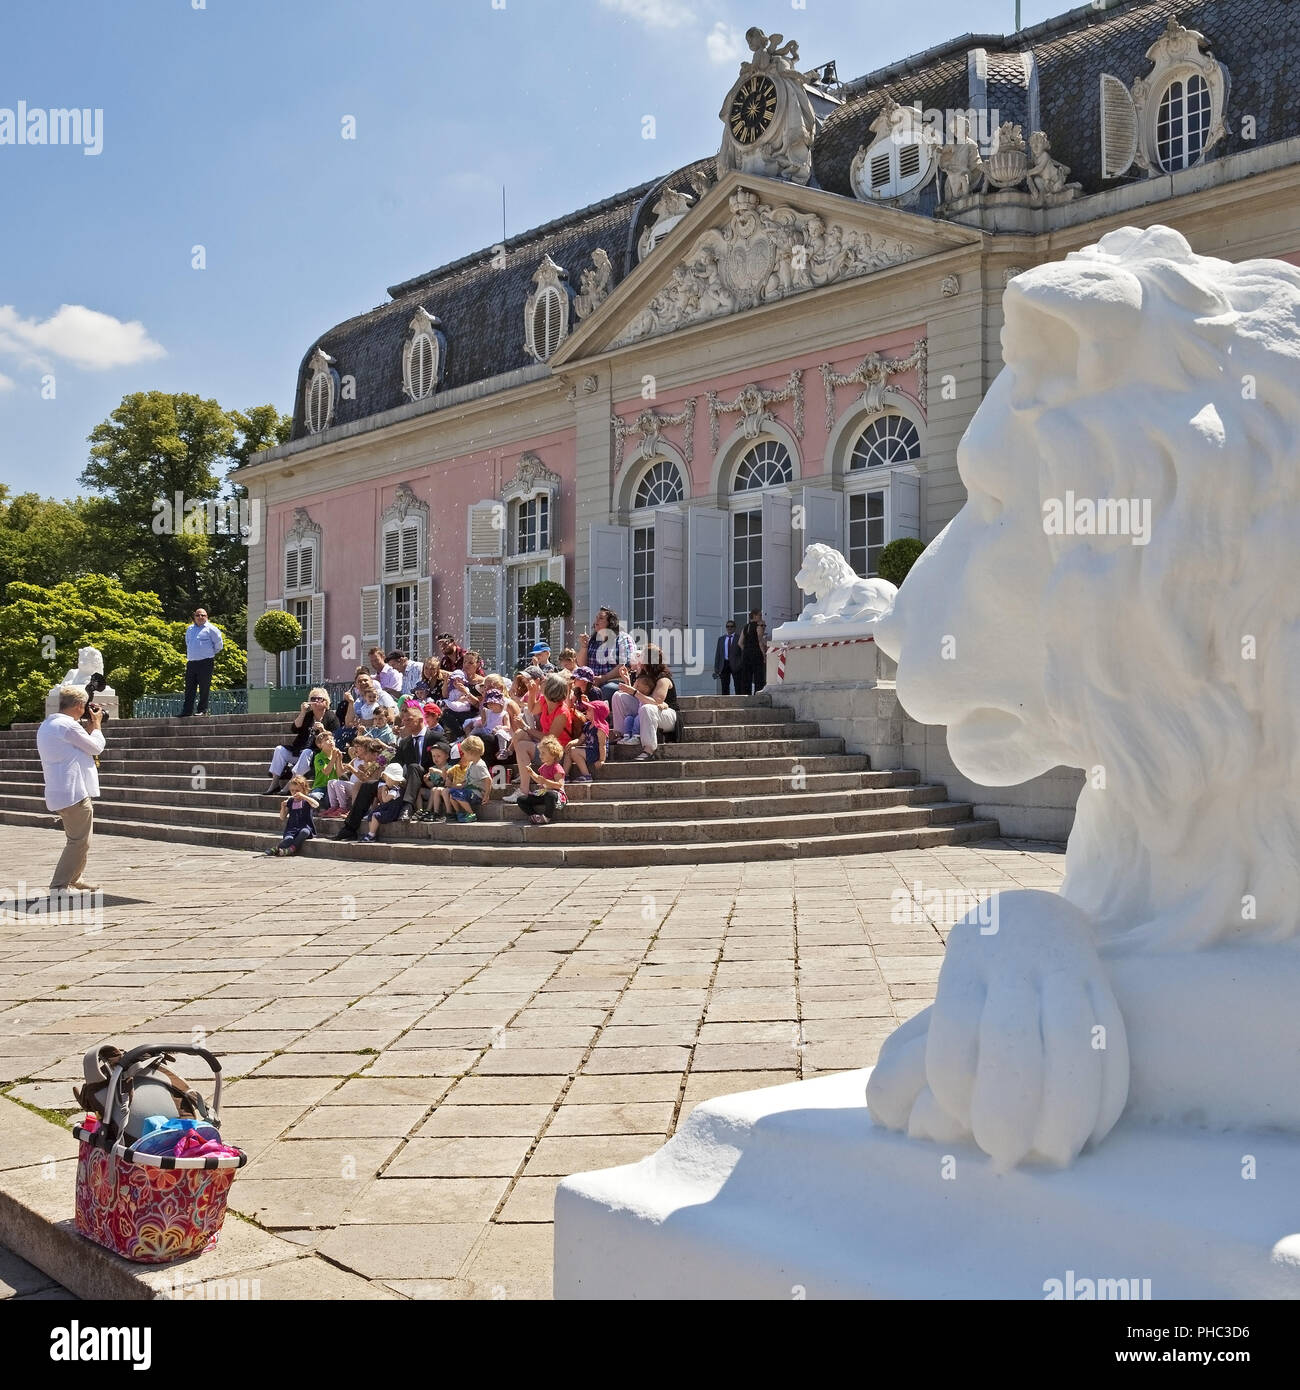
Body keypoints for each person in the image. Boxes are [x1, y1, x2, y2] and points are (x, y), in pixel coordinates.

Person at [37, 684, 106, 894]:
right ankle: (59, 886)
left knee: (77, 840)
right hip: (73, 792)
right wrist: (97, 725)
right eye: (84, 706)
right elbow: (96, 747)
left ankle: (74, 878)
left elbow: (75, 747)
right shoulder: (68, 726)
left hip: (60, 790)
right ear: (78, 705)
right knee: (79, 842)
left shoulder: (49, 724)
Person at [505, 672, 572, 802]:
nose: (541, 682)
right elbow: (532, 710)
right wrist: (531, 692)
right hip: (544, 745)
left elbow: (549, 739)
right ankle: (523, 771)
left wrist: (526, 727)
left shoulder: (562, 713)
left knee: (522, 745)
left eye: (545, 681)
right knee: (519, 734)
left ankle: (523, 790)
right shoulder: (544, 700)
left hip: (556, 753)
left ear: (550, 689)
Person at [263, 689, 338, 793]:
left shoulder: (331, 717)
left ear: (326, 702)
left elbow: (333, 738)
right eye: (313, 699)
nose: (315, 701)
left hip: (315, 754)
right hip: (298, 750)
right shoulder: (308, 715)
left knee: (307, 752)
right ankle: (274, 783)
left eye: (319, 699)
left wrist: (322, 730)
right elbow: (295, 728)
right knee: (279, 749)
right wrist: (303, 712)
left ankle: (290, 784)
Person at [610, 645, 678, 761]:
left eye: (642, 656)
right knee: (618, 696)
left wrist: (634, 692)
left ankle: (649, 750)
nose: (639, 657)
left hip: (667, 714)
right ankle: (622, 734)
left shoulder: (663, 678)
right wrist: (627, 681)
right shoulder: (643, 675)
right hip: (649, 710)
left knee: (647, 708)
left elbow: (656, 701)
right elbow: (639, 696)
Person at [576, 606, 634, 703]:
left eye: (601, 618)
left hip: (615, 680)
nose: (596, 620)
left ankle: (599, 716)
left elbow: (627, 664)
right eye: (596, 617)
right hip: (593, 682)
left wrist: (604, 678)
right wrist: (584, 647)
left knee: (606, 690)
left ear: (610, 623)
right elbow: (582, 665)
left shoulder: (623, 638)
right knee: (575, 690)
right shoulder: (592, 640)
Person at [181, 608, 224, 717]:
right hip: (191, 662)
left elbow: (219, 645)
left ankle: (202, 710)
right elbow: (188, 643)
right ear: (194, 617)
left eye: (203, 615)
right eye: (198, 615)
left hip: (206, 662)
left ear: (207, 617)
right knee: (189, 688)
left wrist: (209, 653)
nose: (200, 617)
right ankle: (187, 711)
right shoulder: (190, 629)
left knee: (204, 687)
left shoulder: (212, 629)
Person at [516, 735, 567, 825]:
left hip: (555, 794)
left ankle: (547, 817)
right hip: (543, 792)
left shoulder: (557, 767)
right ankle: (534, 815)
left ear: (552, 753)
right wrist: (531, 773)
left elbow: (559, 785)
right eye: (540, 753)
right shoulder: (542, 768)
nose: (540, 755)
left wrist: (545, 781)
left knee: (550, 794)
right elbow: (539, 780)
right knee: (521, 799)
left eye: (543, 753)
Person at [267, 775, 319, 856]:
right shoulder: (290, 801)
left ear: (304, 790)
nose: (294, 793)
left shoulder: (307, 800)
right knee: (288, 839)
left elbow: (316, 805)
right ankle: (277, 848)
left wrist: (304, 796)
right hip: (291, 829)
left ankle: (291, 849)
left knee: (304, 832)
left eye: (297, 790)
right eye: (292, 790)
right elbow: (282, 817)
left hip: (305, 827)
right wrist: (283, 807)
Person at [446, 735, 491, 822]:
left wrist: (486, 795)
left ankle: (471, 813)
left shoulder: (480, 765)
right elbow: (466, 782)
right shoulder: (471, 764)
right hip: (469, 790)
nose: (464, 756)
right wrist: (454, 786)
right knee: (452, 794)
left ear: (472, 752)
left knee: (456, 793)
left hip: (476, 794)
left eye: (465, 753)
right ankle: (459, 813)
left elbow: (488, 779)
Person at [358, 764, 406, 844]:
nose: (385, 782)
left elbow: (385, 800)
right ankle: (372, 833)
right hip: (387, 808)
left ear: (392, 779)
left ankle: (371, 834)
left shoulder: (395, 790)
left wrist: (384, 791)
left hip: (392, 812)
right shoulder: (392, 788)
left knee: (375, 815)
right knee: (371, 814)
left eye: (387, 779)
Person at [310, 728, 349, 816]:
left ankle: (323, 809)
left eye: (332, 739)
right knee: (313, 797)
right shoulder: (318, 757)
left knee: (333, 800)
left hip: (332, 788)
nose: (331, 741)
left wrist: (339, 760)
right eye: (327, 740)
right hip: (321, 787)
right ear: (320, 745)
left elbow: (340, 774)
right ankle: (320, 809)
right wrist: (334, 759)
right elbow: (326, 772)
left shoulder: (336, 755)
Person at [416, 742, 453, 821]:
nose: (436, 758)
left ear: (446, 756)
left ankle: (429, 811)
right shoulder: (432, 768)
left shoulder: (449, 767)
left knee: (435, 789)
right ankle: (420, 811)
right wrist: (426, 781)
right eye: (433, 756)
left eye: (439, 756)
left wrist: (437, 771)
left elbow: (448, 779)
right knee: (420, 790)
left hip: (446, 792)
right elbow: (432, 785)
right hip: (435, 792)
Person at [737, 609, 767, 696]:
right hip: (756, 653)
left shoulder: (745, 627)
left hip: (746, 654)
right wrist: (764, 655)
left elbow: (740, 643)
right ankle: (758, 695)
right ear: (754, 616)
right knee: (758, 676)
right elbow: (760, 641)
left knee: (746, 677)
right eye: (760, 615)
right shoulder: (759, 626)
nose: (761, 617)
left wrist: (746, 650)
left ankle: (746, 695)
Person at [713, 619, 739, 695]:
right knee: (724, 685)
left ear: (735, 627)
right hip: (724, 664)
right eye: (727, 626)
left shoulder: (739, 638)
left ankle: (738, 701)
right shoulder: (721, 639)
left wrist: (740, 664)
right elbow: (718, 654)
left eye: (731, 626)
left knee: (737, 685)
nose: (729, 628)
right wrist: (716, 668)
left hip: (735, 664)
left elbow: (741, 653)